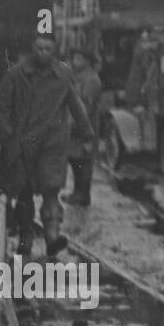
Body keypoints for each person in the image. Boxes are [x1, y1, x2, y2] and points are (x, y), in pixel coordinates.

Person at [0, 33, 96, 256]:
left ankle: (52, 236)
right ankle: (25, 238)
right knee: (24, 193)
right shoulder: (16, 74)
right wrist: (6, 136)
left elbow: (75, 105)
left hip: (51, 146)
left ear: (54, 51)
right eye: (39, 48)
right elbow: (0, 106)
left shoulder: (62, 75)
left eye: (48, 49)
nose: (43, 53)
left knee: (51, 192)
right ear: (33, 47)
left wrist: (87, 133)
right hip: (22, 146)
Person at [66, 47, 103, 206]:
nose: (75, 61)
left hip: (85, 127)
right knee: (75, 160)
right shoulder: (76, 77)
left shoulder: (92, 80)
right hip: (74, 126)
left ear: (88, 61)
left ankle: (83, 195)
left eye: (79, 59)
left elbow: (86, 107)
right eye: (74, 58)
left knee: (84, 161)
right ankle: (77, 192)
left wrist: (75, 123)